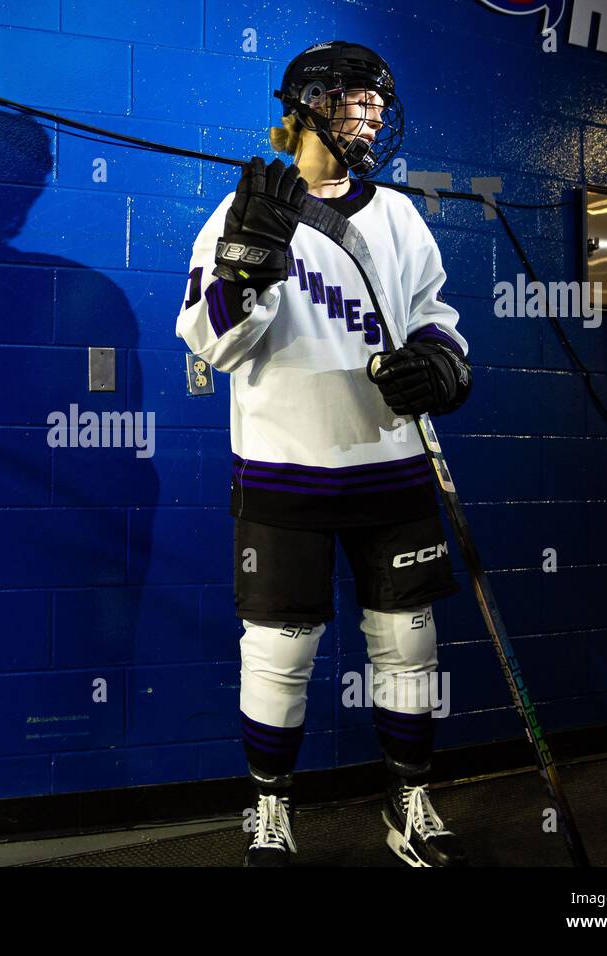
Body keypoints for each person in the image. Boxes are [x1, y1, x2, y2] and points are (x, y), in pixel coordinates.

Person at [175, 41, 474, 867]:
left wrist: (444, 362)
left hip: (394, 469)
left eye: (379, 103)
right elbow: (211, 340)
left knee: (408, 644)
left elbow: (436, 317)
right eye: (355, 99)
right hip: (283, 473)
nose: (373, 115)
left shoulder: (402, 216)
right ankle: (270, 812)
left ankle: (409, 799)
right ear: (308, 104)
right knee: (280, 652)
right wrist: (252, 261)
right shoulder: (237, 211)